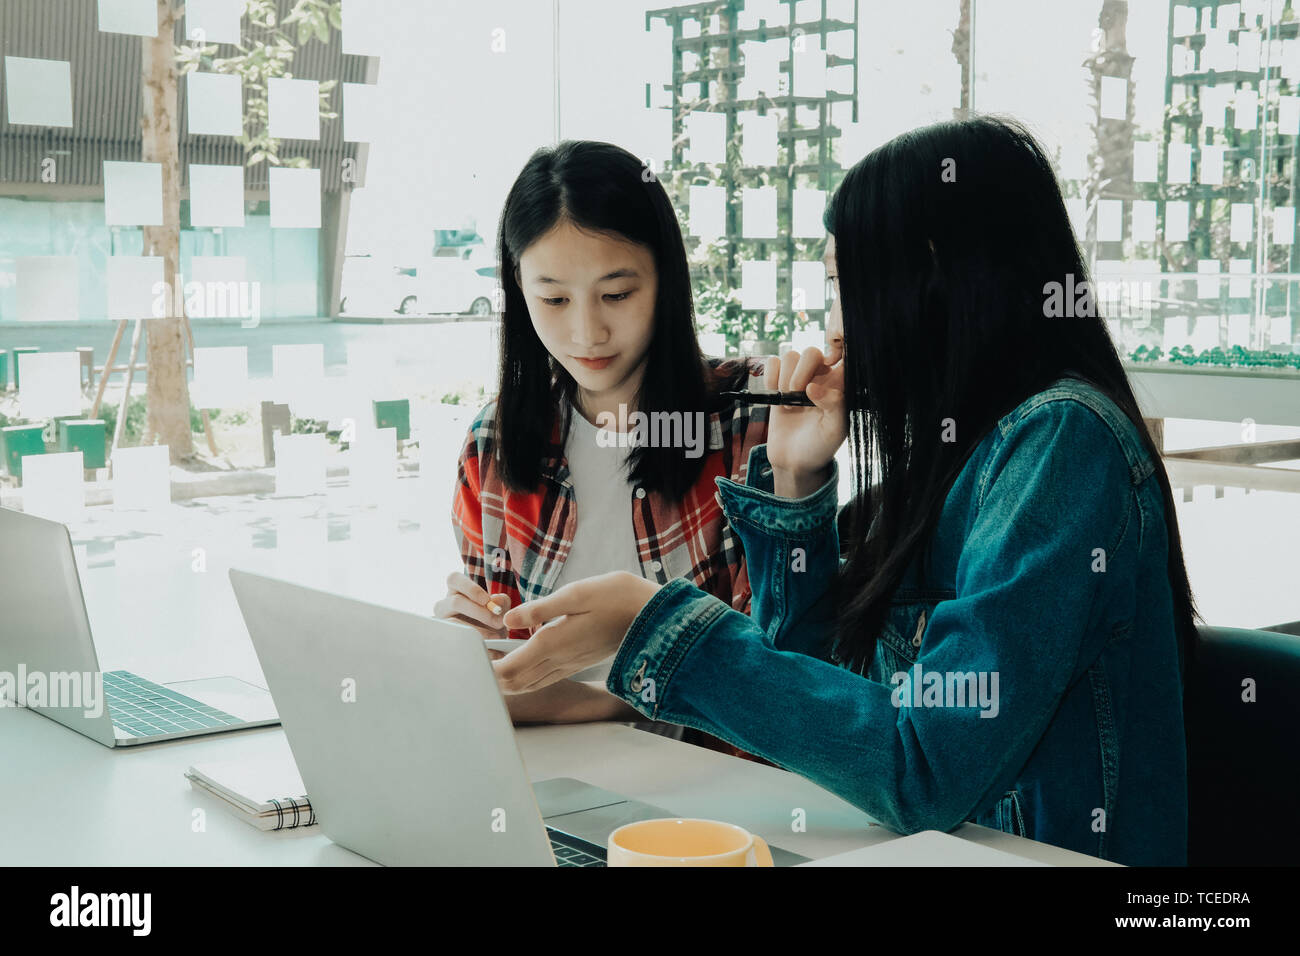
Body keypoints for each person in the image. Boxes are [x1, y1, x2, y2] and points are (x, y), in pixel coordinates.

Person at [491, 116, 1197, 866]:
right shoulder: (958, 450)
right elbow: (827, 707)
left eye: (839, 285)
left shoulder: (1061, 444)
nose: (832, 327)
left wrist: (658, 630)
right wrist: (796, 484)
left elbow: (926, 768)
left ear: (929, 276)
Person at [436, 140, 768, 737]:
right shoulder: (493, 442)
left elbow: (780, 671)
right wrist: (467, 641)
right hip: (544, 775)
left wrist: (594, 701)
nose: (586, 331)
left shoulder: (748, 424)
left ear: (665, 278)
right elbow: (504, 651)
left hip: (707, 797)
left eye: (617, 294)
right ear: (517, 290)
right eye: (553, 298)